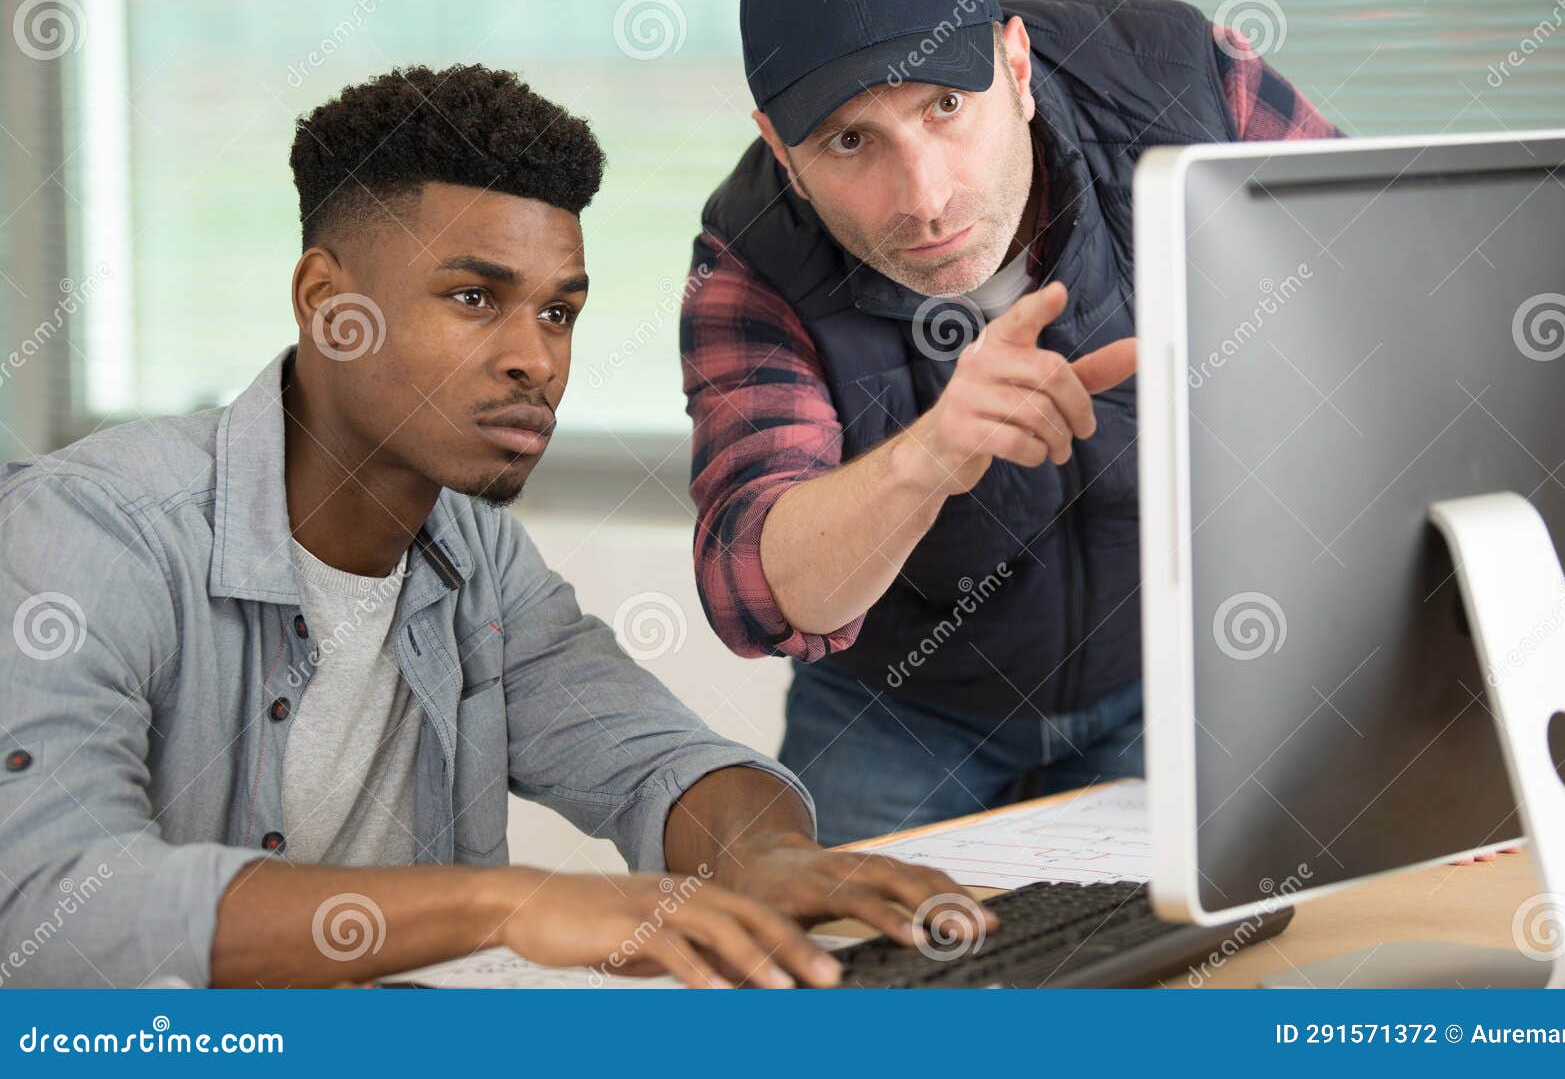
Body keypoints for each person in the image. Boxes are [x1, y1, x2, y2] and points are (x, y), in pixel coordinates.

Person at [0, 64, 993, 989]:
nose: (537, 361)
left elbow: (654, 758)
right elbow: (48, 901)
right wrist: (505, 904)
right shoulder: (93, 531)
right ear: (324, 301)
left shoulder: (475, 556)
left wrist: (763, 858)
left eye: (559, 312)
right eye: (474, 298)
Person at [681, 0, 1342, 845]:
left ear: (1016, 65)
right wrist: (933, 454)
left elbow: (1378, 288)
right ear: (782, 152)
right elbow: (756, 589)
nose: (924, 196)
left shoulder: (1182, 79)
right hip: (901, 711)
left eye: (947, 104)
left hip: (1165, 668)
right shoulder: (752, 259)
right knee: (856, 980)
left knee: (1178, 971)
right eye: (849, 142)